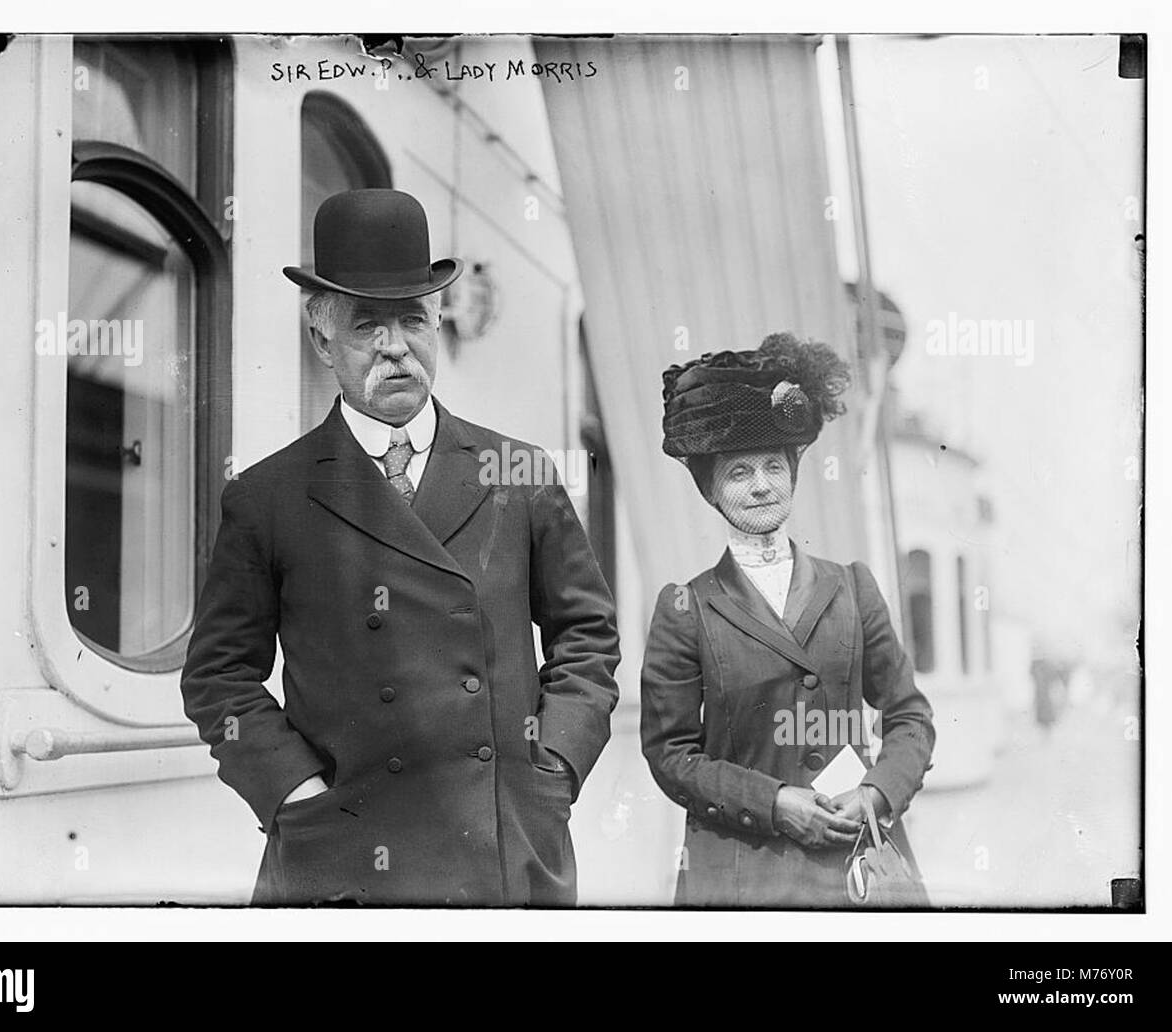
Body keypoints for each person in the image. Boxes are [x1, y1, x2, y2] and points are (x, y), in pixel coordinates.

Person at [181, 188, 620, 906]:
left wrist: (554, 770)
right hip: (342, 857)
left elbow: (588, 636)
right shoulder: (269, 498)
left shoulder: (519, 474)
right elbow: (218, 677)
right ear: (322, 340)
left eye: (411, 320)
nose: (394, 347)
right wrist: (293, 792)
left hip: (503, 853)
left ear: (437, 323)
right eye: (366, 326)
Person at [639, 336, 935, 907]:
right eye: (738, 471)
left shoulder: (852, 586)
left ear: (794, 474)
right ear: (710, 489)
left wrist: (876, 792)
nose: (760, 486)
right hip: (743, 870)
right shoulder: (686, 608)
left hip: (858, 862)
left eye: (773, 466)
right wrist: (774, 803)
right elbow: (671, 754)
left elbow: (910, 716)